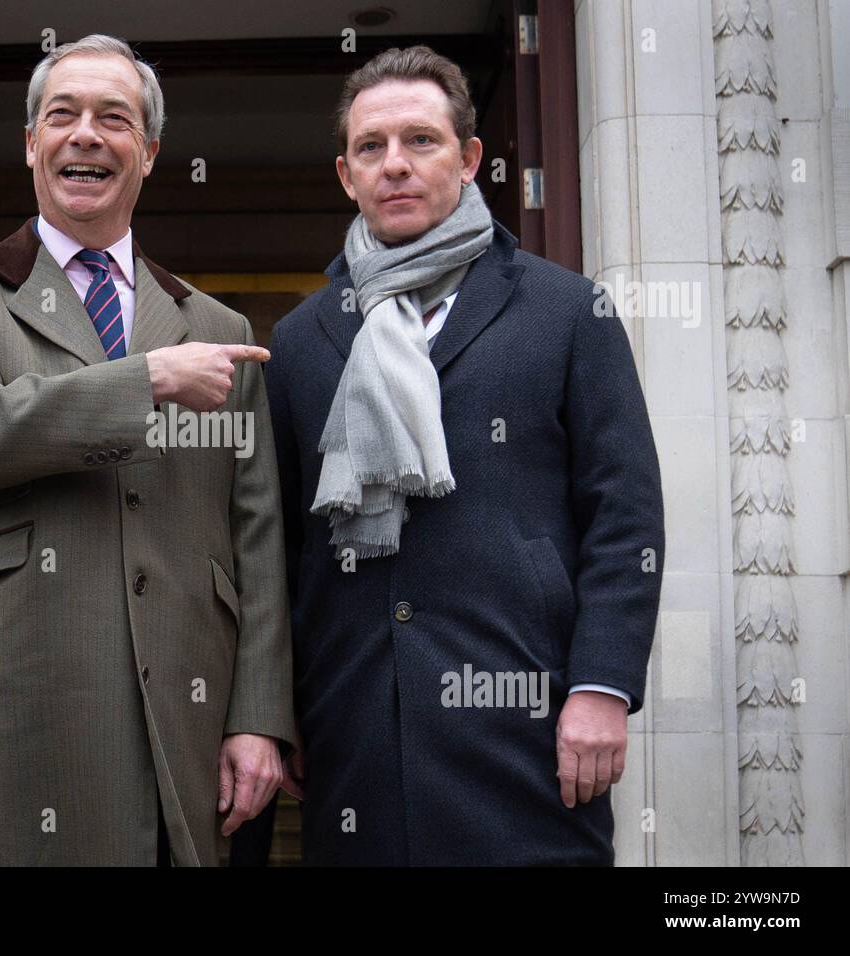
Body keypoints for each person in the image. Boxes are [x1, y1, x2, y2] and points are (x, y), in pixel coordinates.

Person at [0, 34, 294, 866]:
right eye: (61, 115)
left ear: (148, 152)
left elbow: (256, 537)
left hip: (180, 704)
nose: (85, 134)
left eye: (115, 118)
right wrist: (144, 380)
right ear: (30, 143)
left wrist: (258, 716)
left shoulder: (220, 331)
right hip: (12, 696)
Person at [265, 45, 665, 865]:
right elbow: (283, 550)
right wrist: (285, 709)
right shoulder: (302, 340)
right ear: (346, 174)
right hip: (357, 740)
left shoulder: (567, 309)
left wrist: (602, 686)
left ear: (470, 158)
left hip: (527, 731)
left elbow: (625, 517)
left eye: (421, 140)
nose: (396, 165)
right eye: (371, 148)